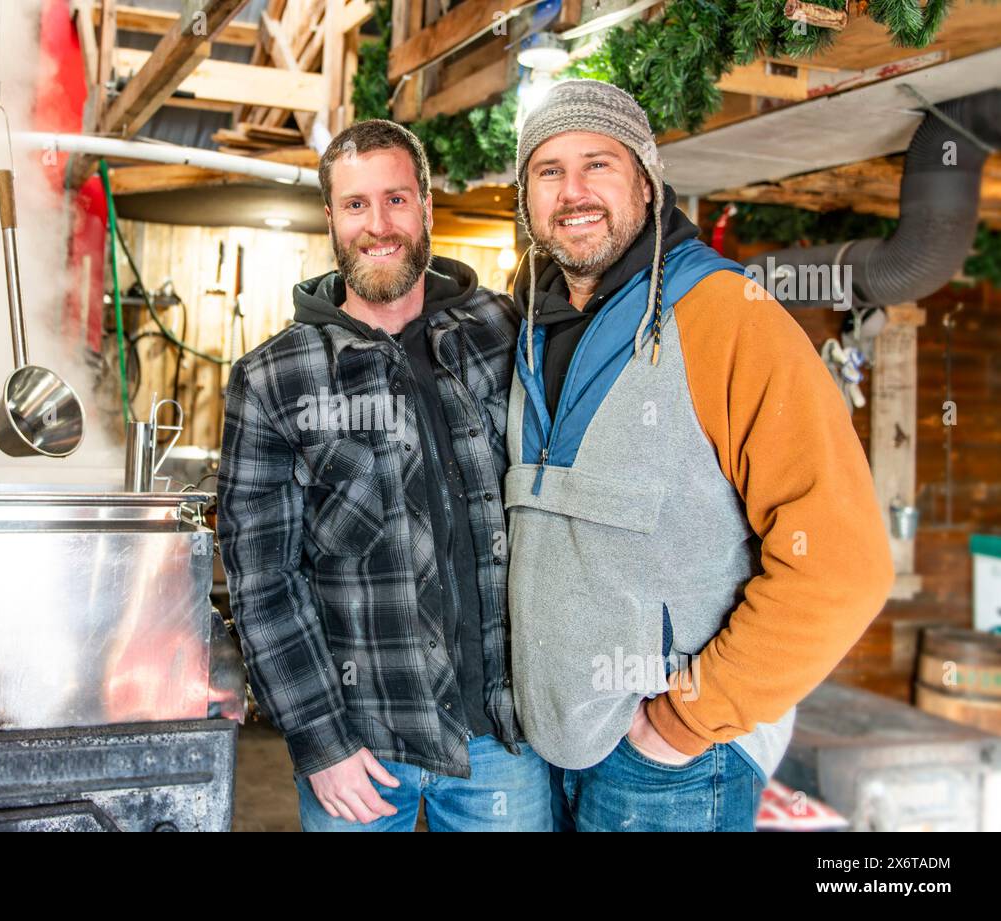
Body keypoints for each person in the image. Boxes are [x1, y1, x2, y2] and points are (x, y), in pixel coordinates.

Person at [505, 79, 894, 831]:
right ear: (525, 199)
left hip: (676, 763)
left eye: (599, 165)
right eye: (548, 172)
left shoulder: (728, 317)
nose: (573, 191)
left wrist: (681, 723)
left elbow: (845, 565)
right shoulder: (532, 326)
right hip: (555, 749)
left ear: (646, 185)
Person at [217, 119, 550, 831]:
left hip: (503, 733)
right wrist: (318, 737)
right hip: (361, 747)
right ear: (333, 220)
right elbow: (262, 579)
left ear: (427, 207)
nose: (379, 225)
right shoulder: (274, 378)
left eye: (396, 199)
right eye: (357, 205)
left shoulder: (497, 330)